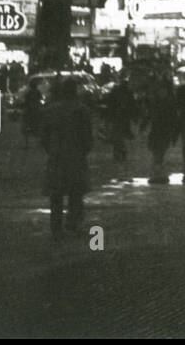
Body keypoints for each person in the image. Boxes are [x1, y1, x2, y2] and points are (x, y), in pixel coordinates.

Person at [41, 78, 93, 239]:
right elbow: (87, 136)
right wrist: (84, 150)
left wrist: (50, 149)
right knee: (75, 192)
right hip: (75, 154)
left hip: (57, 154)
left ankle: (56, 227)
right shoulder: (81, 110)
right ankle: (73, 224)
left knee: (56, 193)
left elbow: (44, 135)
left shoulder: (51, 110)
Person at [143, 73, 179, 184]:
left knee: (159, 152)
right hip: (157, 130)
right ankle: (159, 174)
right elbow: (150, 115)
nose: (161, 92)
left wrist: (175, 133)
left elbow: (174, 118)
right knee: (157, 152)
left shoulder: (168, 102)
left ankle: (159, 174)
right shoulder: (158, 102)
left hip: (164, 130)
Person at [104, 74, 137, 163]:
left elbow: (110, 105)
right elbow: (133, 105)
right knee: (119, 136)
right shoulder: (126, 92)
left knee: (118, 136)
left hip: (119, 118)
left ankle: (119, 153)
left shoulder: (117, 92)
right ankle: (120, 152)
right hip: (121, 118)